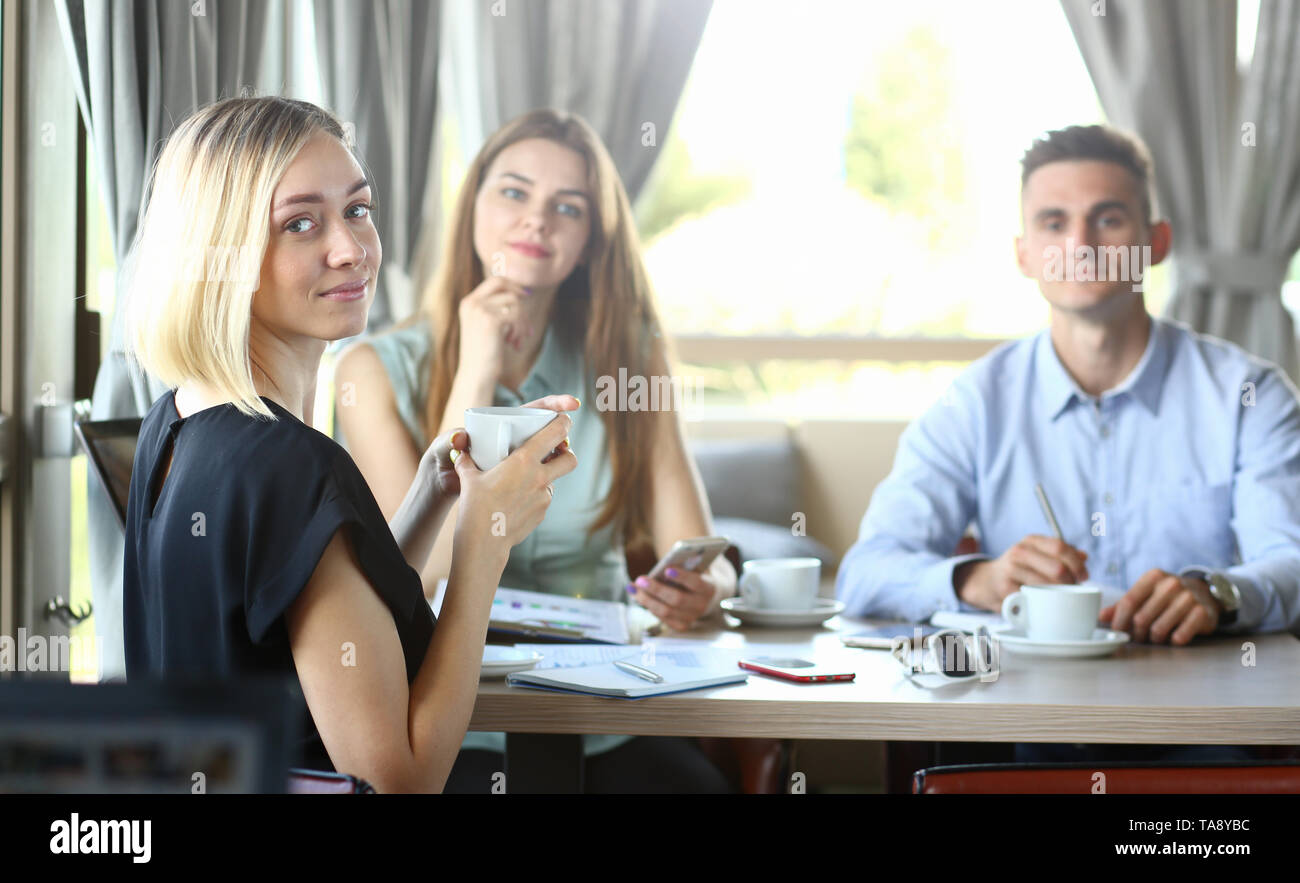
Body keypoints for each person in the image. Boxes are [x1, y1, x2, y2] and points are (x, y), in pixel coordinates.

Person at [120, 96, 577, 793]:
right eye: (300, 224)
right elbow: (397, 782)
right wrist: (483, 546)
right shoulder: (293, 466)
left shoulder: (174, 421)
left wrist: (432, 495)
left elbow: (310, 612)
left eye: (357, 209)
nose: (350, 248)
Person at [334, 108, 734, 792]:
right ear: (474, 209)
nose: (537, 220)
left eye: (567, 207)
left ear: (591, 239)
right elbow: (417, 576)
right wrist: (477, 367)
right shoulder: (369, 370)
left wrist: (707, 589)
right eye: (514, 192)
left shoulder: (630, 360)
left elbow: (703, 552)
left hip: (607, 712)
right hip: (454, 723)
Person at [837, 124, 1300, 642]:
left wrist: (1221, 593)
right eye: (1054, 223)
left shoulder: (1251, 398)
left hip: (1206, 708)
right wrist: (975, 579)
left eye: (1108, 218)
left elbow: (1292, 560)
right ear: (1024, 254)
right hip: (1026, 712)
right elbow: (866, 571)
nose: (1080, 246)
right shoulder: (974, 403)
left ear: (1156, 242)